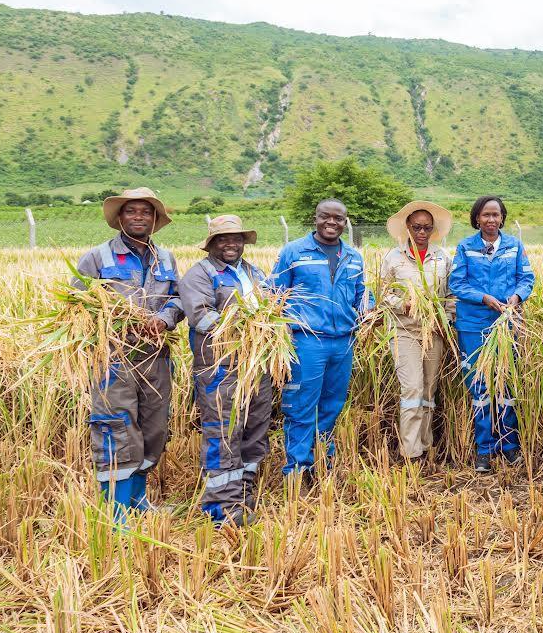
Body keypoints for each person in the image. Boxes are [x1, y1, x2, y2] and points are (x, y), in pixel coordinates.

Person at [74, 188, 183, 521]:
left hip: (156, 357)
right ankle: (116, 510)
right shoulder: (97, 258)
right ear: (120, 218)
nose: (139, 217)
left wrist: (164, 319)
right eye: (132, 212)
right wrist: (112, 322)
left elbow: (178, 298)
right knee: (116, 427)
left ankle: (137, 500)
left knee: (154, 429)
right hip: (113, 357)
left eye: (146, 212)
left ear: (154, 220)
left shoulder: (166, 259)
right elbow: (77, 304)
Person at [269, 199, 371, 481]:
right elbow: (274, 293)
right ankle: (297, 470)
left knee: (332, 404)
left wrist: (369, 309)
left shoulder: (353, 256)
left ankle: (322, 462)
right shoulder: (294, 252)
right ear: (315, 218)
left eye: (338, 218)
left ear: (345, 221)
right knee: (301, 405)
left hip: (343, 342)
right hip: (307, 341)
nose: (332, 223)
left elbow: (362, 293)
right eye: (325, 217)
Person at [179, 215, 271, 526]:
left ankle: (243, 495)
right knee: (223, 432)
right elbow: (201, 317)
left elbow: (270, 303)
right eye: (223, 238)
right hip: (221, 367)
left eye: (236, 238)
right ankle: (221, 509)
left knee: (254, 430)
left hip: (255, 365)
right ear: (212, 243)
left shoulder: (253, 272)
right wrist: (245, 329)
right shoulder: (200, 274)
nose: (231, 243)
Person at [448, 196, 536, 472]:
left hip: (506, 325)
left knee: (505, 383)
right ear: (477, 219)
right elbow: (457, 283)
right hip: (473, 325)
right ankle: (483, 449)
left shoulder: (514, 245)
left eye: (495, 215)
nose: (490, 220)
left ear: (502, 218)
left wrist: (516, 297)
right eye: (485, 215)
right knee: (479, 386)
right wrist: (484, 297)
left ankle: (509, 445)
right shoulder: (466, 247)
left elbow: (527, 278)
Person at [379, 201, 455, 461]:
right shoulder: (393, 257)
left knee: (428, 390)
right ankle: (411, 453)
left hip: (433, 332)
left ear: (432, 230)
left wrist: (446, 319)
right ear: (407, 228)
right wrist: (404, 304)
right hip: (405, 331)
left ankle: (426, 445)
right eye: (416, 227)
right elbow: (384, 294)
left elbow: (451, 295)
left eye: (426, 228)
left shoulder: (443, 258)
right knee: (411, 388)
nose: (421, 232)